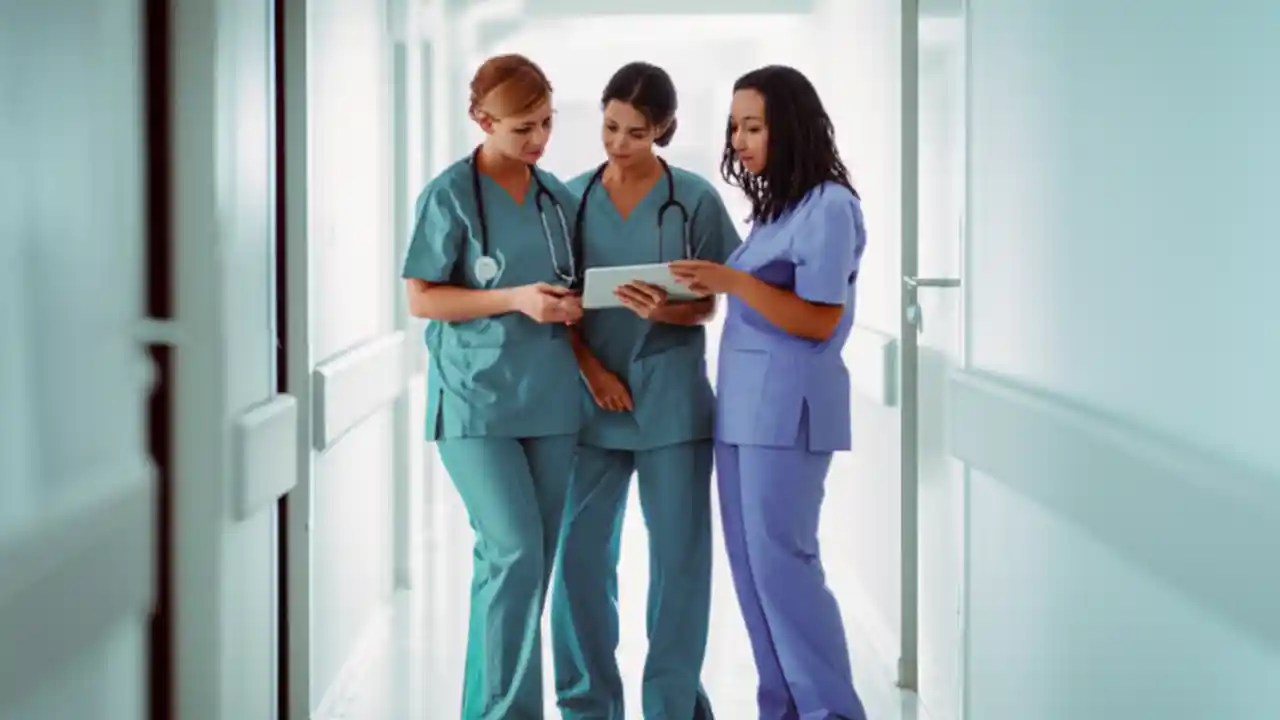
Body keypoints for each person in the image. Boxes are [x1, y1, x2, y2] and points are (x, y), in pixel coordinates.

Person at [669, 65, 870, 720]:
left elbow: (818, 318)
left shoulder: (832, 207)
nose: (740, 139)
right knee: (753, 577)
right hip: (744, 413)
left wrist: (733, 282)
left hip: (788, 415)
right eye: (734, 127)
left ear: (790, 127)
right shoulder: (778, 211)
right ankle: (780, 709)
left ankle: (831, 713)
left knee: (785, 570)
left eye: (753, 126)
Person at [549, 61, 741, 720]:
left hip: (672, 403)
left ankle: (673, 706)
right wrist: (591, 370)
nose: (619, 143)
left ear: (663, 129)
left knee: (679, 571)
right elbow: (555, 306)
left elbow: (715, 300)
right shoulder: (568, 200)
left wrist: (668, 311)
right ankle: (586, 706)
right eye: (610, 127)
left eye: (636, 132)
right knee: (578, 563)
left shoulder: (693, 201)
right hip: (591, 403)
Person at [401, 54, 583, 720]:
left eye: (546, 123)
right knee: (512, 551)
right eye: (521, 129)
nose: (538, 140)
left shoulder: (555, 200)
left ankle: (493, 709)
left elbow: (573, 287)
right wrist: (512, 299)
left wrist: (569, 306)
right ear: (481, 121)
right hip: (476, 400)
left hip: (552, 399)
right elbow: (422, 299)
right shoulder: (449, 194)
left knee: (525, 566)